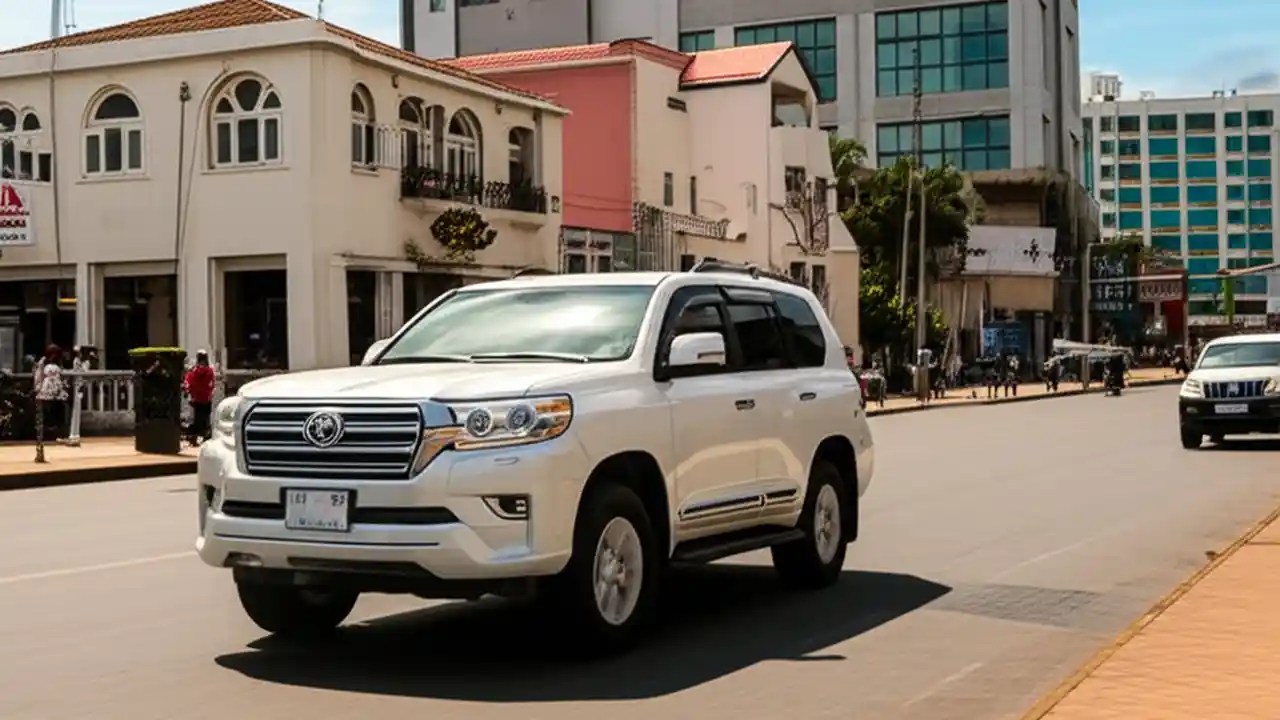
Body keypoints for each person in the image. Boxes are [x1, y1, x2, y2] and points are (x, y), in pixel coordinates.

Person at [33, 345, 68, 442]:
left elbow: (62, 375)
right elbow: (38, 375)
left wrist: (64, 386)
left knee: (58, 410)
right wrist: (38, 387)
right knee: (47, 412)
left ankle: (58, 433)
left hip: (57, 390)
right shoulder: (43, 362)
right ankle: (47, 434)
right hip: (46, 390)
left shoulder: (58, 363)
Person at [184, 350, 216, 446]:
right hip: (206, 398)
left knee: (196, 419)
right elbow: (212, 384)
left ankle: (193, 438)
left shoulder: (193, 371)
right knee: (206, 418)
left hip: (196, 399)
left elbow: (188, 382)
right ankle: (206, 438)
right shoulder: (210, 371)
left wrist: (189, 392)